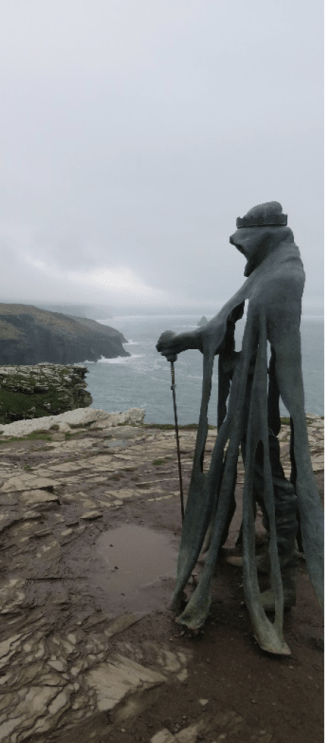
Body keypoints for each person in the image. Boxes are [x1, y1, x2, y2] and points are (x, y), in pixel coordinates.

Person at [156, 201, 323, 655]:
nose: (240, 252)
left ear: (263, 235)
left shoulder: (283, 278)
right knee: (265, 483)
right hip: (250, 400)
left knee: (273, 487)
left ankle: (283, 587)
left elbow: (261, 342)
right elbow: (224, 329)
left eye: (243, 242)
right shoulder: (270, 270)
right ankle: (270, 563)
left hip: (255, 405)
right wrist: (192, 340)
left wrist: (192, 341)